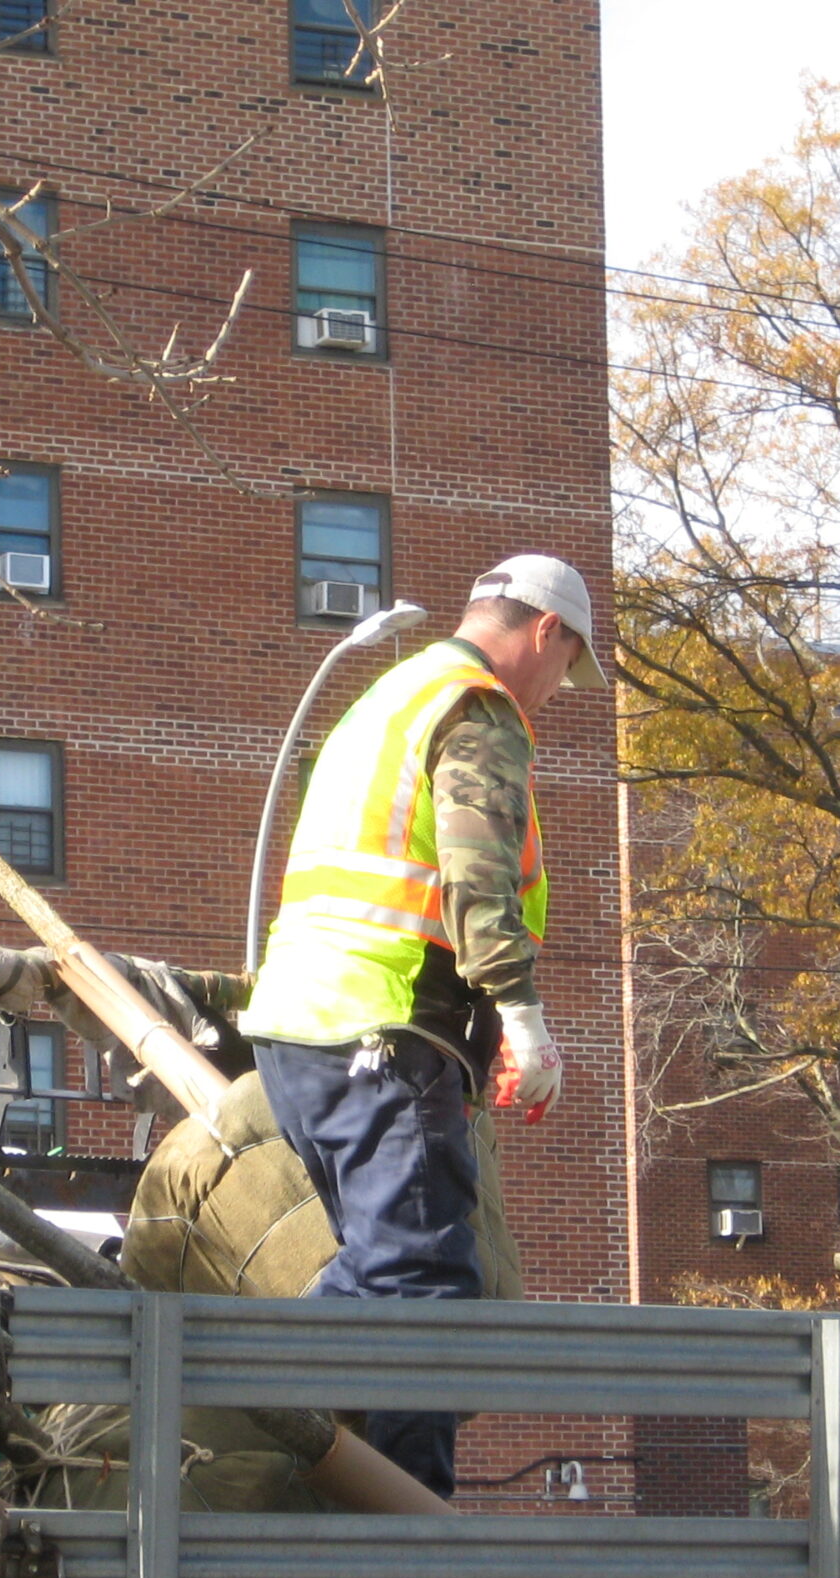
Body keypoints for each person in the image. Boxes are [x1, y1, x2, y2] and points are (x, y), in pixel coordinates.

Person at [238, 555, 604, 1497]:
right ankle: (406, 1557)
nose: (559, 690)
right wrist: (521, 1018)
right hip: (385, 1027)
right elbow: (475, 876)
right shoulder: (477, 709)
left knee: (373, 1277)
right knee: (425, 1290)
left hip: (299, 1034)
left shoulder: (389, 695)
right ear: (546, 633)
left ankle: (238, 1422)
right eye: (568, 666)